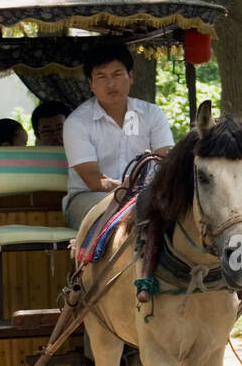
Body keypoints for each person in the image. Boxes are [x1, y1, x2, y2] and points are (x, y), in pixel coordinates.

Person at [61, 42, 173, 230]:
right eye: (101, 77)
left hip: (147, 196)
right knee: (124, 212)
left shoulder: (152, 114)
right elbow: (93, 180)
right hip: (87, 197)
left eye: (117, 74)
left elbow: (166, 161)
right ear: (91, 84)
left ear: (130, 77)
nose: (111, 83)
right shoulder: (78, 122)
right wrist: (128, 190)